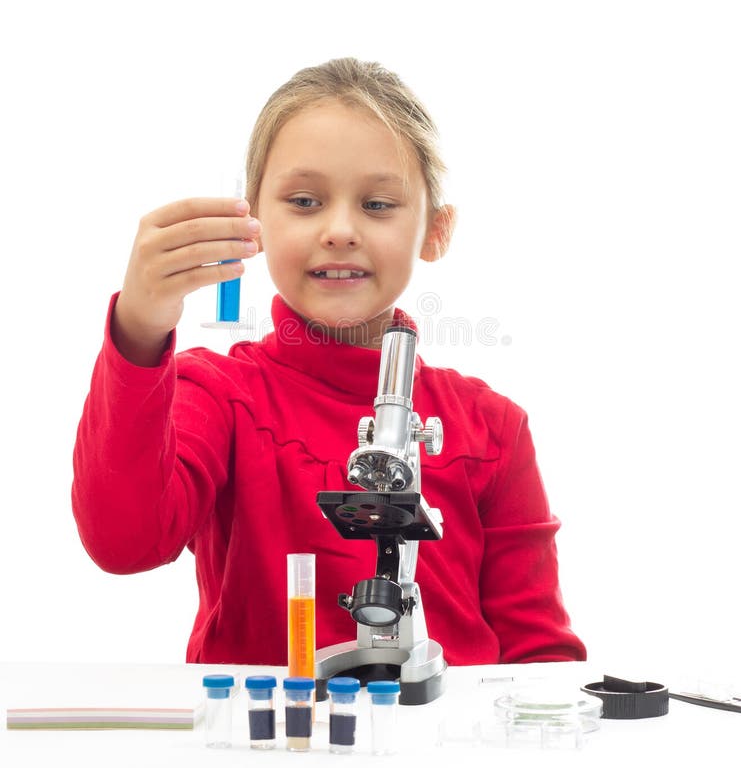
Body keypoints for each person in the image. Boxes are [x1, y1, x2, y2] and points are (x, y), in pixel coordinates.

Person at [72, 57, 586, 667]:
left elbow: (541, 661)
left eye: (377, 205)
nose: (340, 229)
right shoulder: (216, 393)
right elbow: (123, 543)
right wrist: (138, 328)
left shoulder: (492, 428)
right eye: (306, 200)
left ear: (436, 229)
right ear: (251, 221)